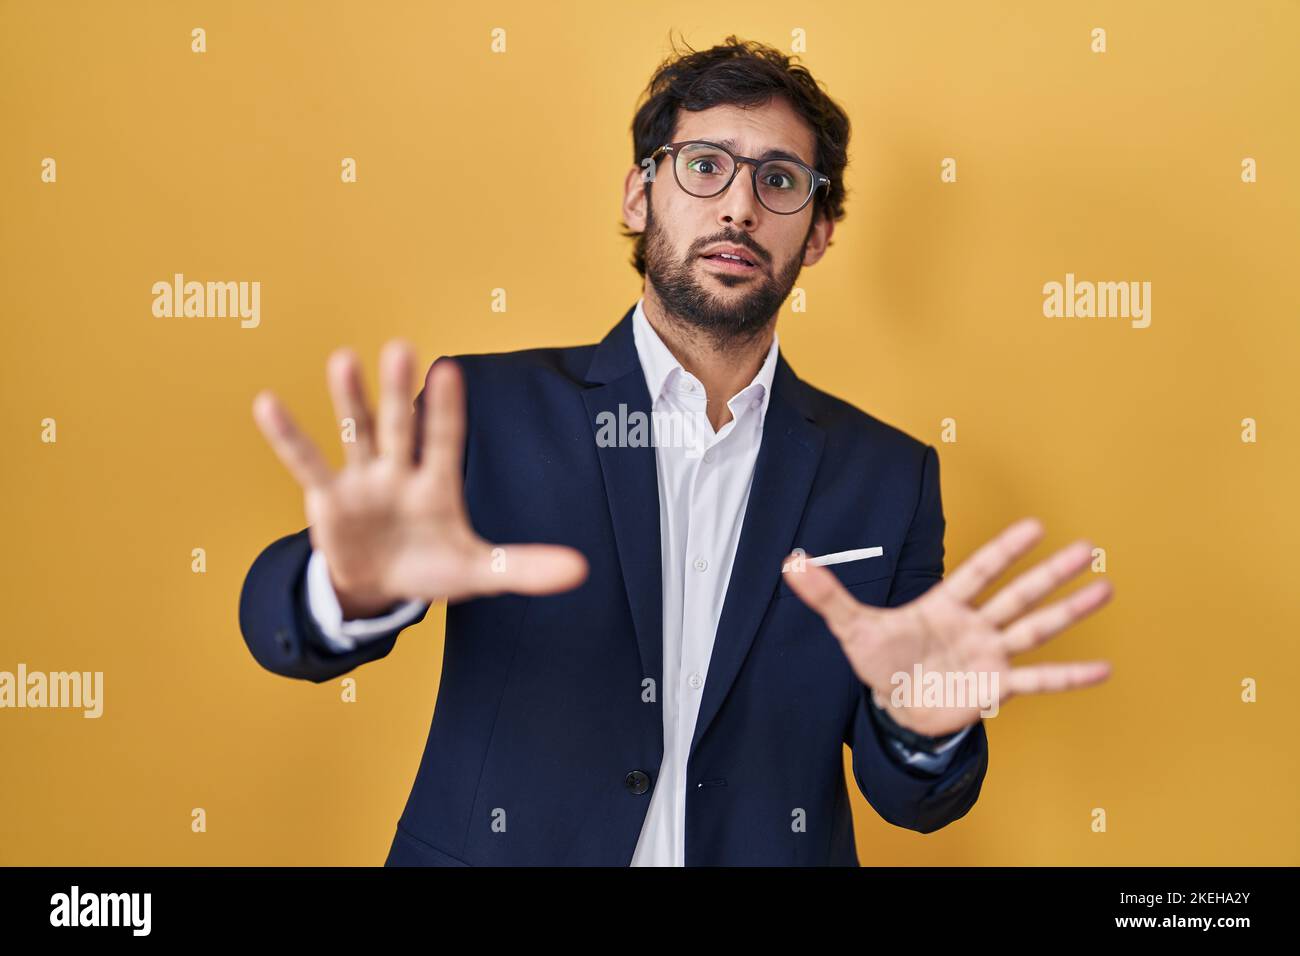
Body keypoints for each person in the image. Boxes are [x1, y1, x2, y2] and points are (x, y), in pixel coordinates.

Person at [239, 36, 1113, 866]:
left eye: (780, 180)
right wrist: (347, 588)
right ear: (639, 195)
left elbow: (917, 800)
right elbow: (277, 633)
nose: (739, 205)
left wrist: (924, 722)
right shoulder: (487, 409)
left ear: (816, 234)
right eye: (705, 167)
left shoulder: (889, 476)